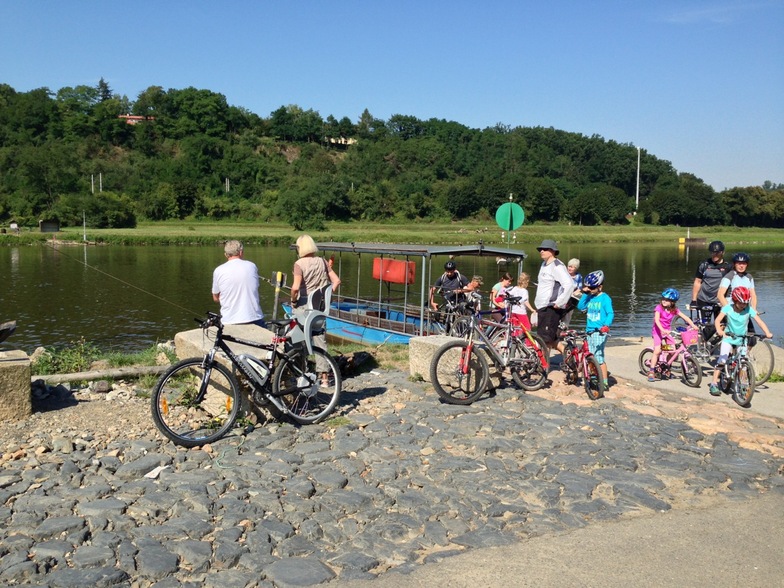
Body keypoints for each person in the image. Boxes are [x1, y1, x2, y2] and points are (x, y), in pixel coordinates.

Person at [289, 234, 341, 386]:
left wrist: (293, 300)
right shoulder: (322, 261)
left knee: (298, 338)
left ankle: (302, 373)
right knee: (319, 340)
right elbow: (336, 281)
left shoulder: (299, 264)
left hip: (304, 307)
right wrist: (328, 295)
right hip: (319, 307)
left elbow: (295, 288)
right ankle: (324, 379)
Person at [708, 286, 772, 396]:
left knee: (743, 362)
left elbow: (759, 322)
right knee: (722, 360)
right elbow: (718, 320)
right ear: (735, 300)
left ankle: (743, 384)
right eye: (741, 303)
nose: (743, 305)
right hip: (728, 337)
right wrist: (719, 330)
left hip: (742, 339)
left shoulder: (748, 309)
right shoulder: (727, 308)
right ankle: (714, 383)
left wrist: (767, 333)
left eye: (745, 303)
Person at [211, 240, 266, 327]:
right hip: (255, 318)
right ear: (241, 252)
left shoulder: (218, 270)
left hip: (229, 321)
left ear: (226, 254)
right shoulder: (252, 266)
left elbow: (215, 298)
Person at [533, 239, 574, 354]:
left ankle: (544, 366)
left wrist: (560, 302)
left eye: (544, 249)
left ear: (552, 251)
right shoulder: (543, 264)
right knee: (549, 338)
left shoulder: (557, 266)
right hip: (542, 307)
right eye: (540, 249)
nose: (541, 251)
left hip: (551, 307)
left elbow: (569, 284)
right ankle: (570, 359)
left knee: (544, 340)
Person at [648, 288, 696, 382]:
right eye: (663, 299)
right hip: (658, 331)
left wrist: (693, 325)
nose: (664, 301)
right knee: (657, 351)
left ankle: (666, 366)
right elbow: (657, 320)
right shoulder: (659, 308)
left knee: (673, 351)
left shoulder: (675, 310)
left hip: (668, 331)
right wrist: (662, 329)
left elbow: (685, 317)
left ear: (673, 302)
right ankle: (651, 371)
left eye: (667, 300)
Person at [576, 270, 614, 389]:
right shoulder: (590, 297)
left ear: (600, 287)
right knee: (589, 355)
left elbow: (610, 313)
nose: (590, 289)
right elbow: (580, 307)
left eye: (592, 288)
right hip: (589, 330)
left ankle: (604, 381)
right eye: (589, 287)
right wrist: (584, 294)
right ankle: (593, 375)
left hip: (600, 331)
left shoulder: (605, 298)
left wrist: (606, 325)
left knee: (598, 356)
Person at [691, 240, 732, 340]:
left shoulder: (728, 267)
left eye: (717, 252)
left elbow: (732, 285)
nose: (715, 255)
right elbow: (697, 281)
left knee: (723, 325)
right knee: (705, 327)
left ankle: (717, 344)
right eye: (712, 252)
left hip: (720, 302)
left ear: (723, 252)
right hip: (704, 300)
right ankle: (705, 348)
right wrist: (694, 300)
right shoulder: (704, 265)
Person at [563, 258, 584, 326]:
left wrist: (574, 293)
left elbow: (579, 288)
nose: (570, 268)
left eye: (573, 267)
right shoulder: (564, 274)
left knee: (568, 315)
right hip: (563, 297)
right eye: (569, 266)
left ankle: (565, 328)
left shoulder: (578, 276)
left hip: (572, 298)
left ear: (576, 268)